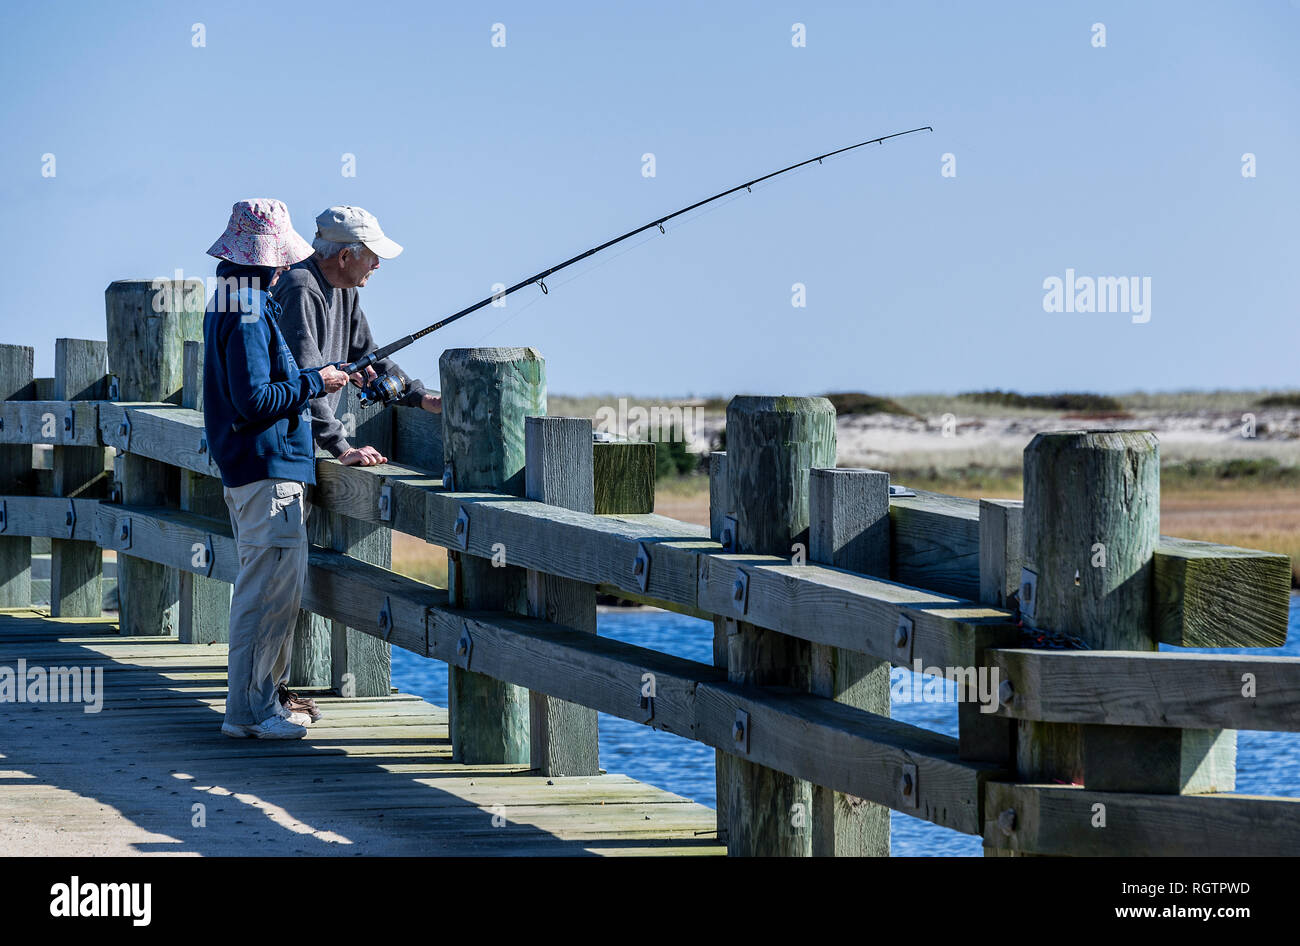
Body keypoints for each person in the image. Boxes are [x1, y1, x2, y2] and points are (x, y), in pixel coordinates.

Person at [202, 198, 350, 739]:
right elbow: (254, 400)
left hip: (253, 469)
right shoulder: (244, 310)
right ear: (266, 259)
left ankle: (262, 704)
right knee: (266, 596)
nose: (288, 266)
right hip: (267, 472)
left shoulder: (231, 298)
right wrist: (319, 382)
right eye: (282, 258)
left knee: (270, 593)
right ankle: (249, 713)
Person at [274, 205, 441, 468]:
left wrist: (420, 397)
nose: (377, 264)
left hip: (298, 452)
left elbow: (367, 355)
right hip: (279, 454)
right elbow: (306, 377)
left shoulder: (345, 288)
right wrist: (341, 447)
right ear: (343, 257)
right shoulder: (301, 287)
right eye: (373, 255)